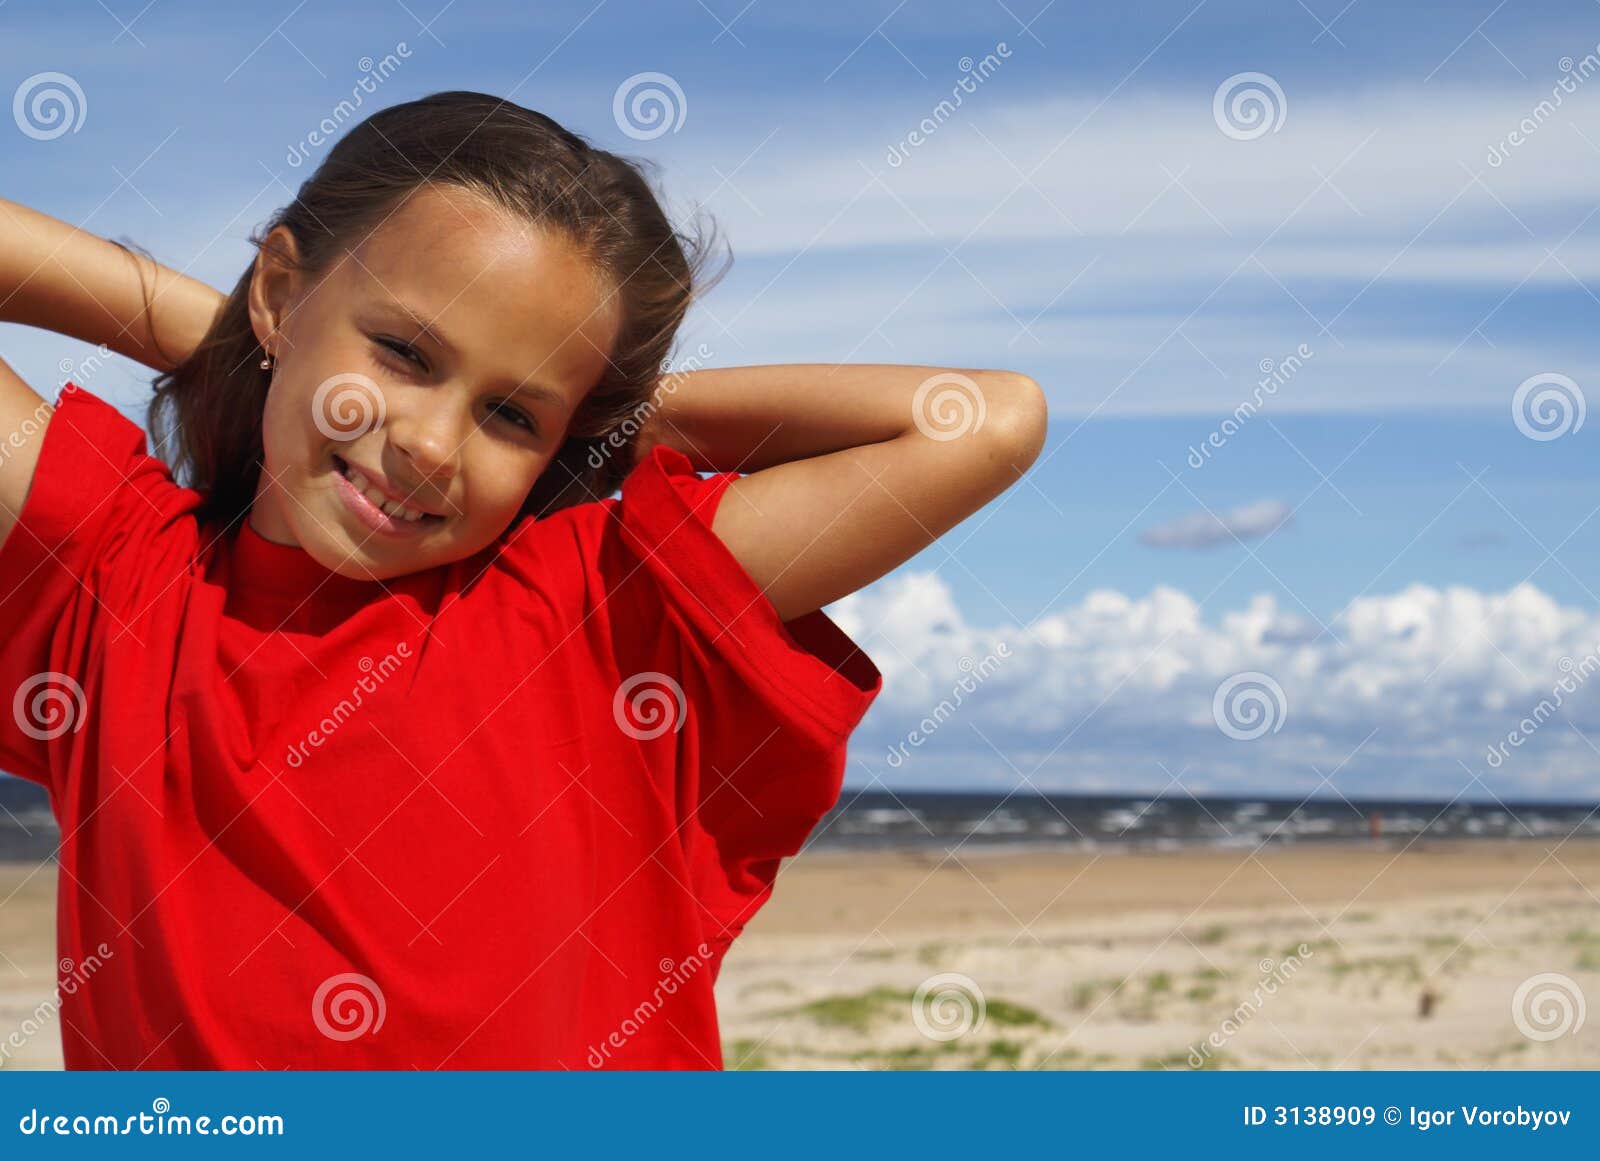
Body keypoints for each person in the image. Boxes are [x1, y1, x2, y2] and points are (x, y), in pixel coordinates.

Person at [0, 91, 1047, 1069]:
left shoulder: (597, 606)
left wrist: (625, 428)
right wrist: (236, 336)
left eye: (513, 415)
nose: (430, 445)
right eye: (404, 352)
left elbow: (983, 423)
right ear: (280, 288)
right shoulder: (114, 573)